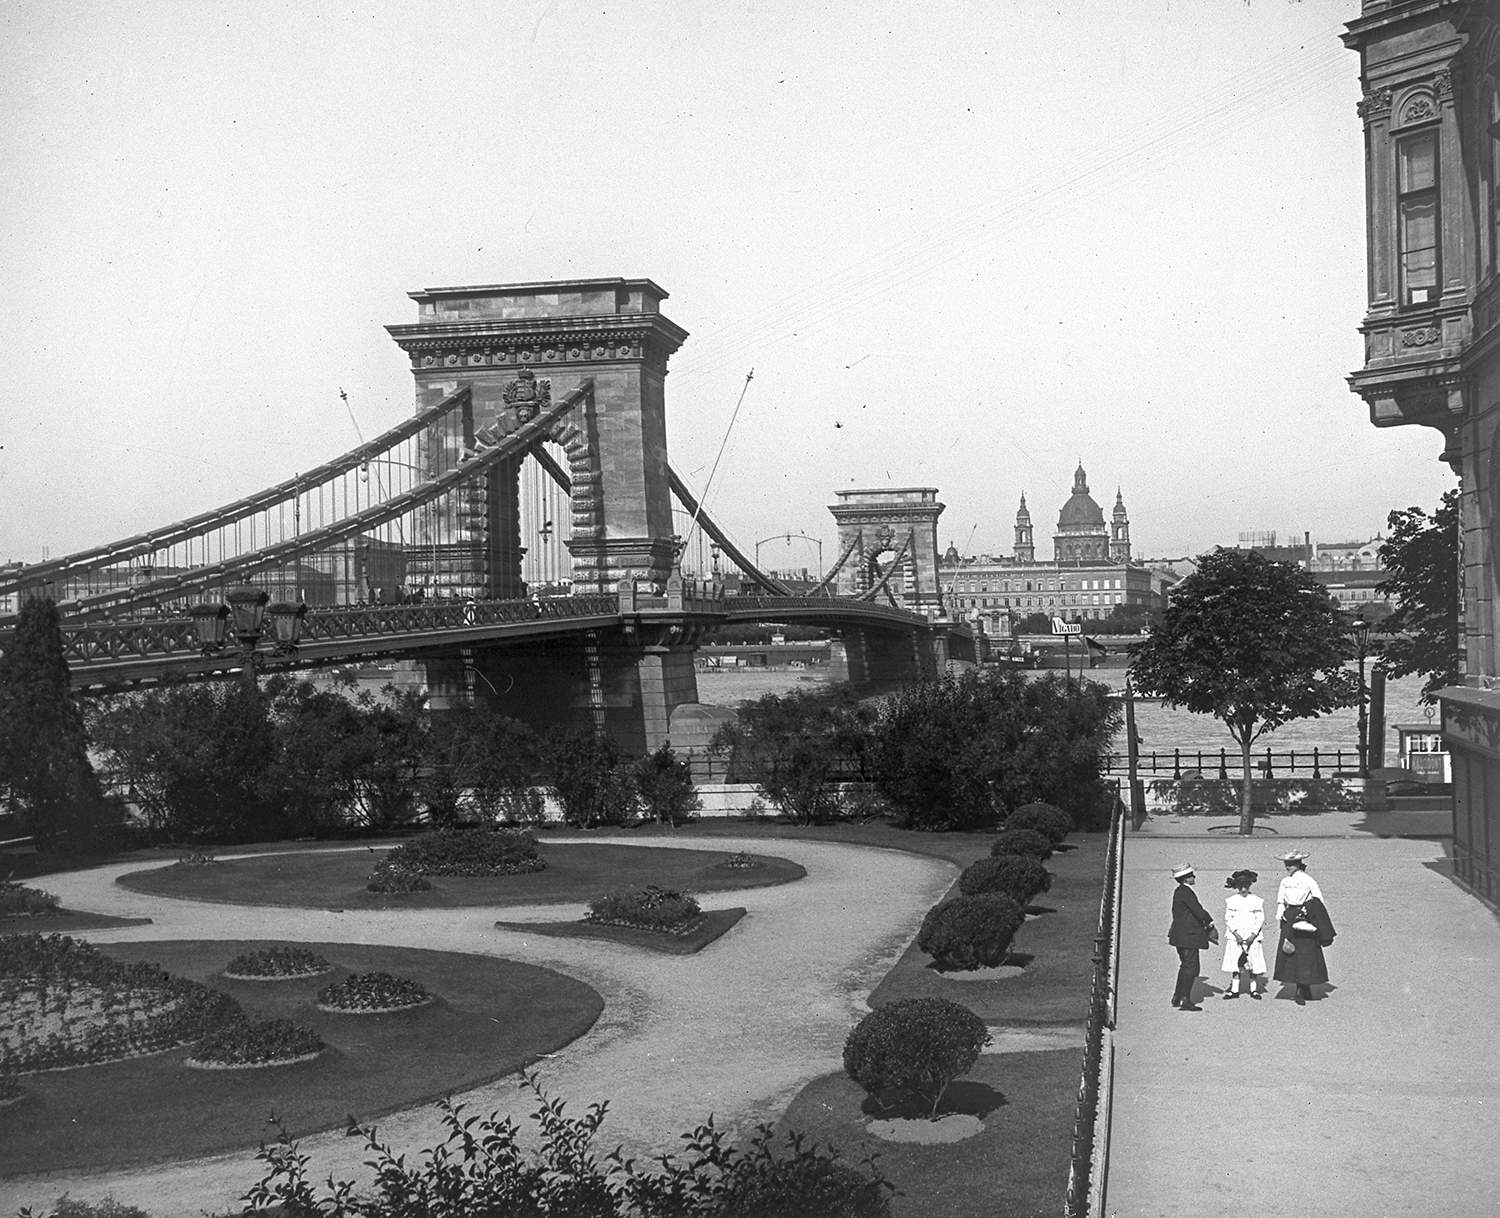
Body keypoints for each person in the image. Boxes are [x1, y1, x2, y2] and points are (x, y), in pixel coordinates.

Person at [1272, 850, 1335, 1005]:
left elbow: (1318, 899)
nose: (1288, 867)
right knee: (1290, 951)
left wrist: (1306, 912)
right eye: (1286, 864)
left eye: (1291, 864)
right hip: (1289, 916)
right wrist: (1282, 915)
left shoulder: (1308, 880)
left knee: (1306, 952)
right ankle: (1299, 985)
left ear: (1299, 864)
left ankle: (1303, 987)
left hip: (1304, 917)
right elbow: (1281, 900)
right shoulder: (1285, 882)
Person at [1167, 865, 1216, 1011]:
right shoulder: (1186, 892)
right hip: (1188, 936)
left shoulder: (1180, 891)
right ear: (1185, 878)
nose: (1194, 877)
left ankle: (1177, 996)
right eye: (1192, 875)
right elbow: (1197, 910)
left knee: (1185, 966)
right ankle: (1184, 999)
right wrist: (1209, 922)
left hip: (1180, 936)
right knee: (1191, 967)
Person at [1221, 869, 1267, 1000]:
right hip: (1236, 937)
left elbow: (1260, 919)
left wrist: (1253, 935)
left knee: (1252, 963)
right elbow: (1228, 918)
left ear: (1250, 886)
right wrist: (1236, 934)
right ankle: (1235, 990)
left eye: (1246, 887)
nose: (1243, 890)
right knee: (1236, 963)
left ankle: (1254, 990)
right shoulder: (1231, 901)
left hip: (1252, 937)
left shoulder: (1256, 901)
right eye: (1240, 887)